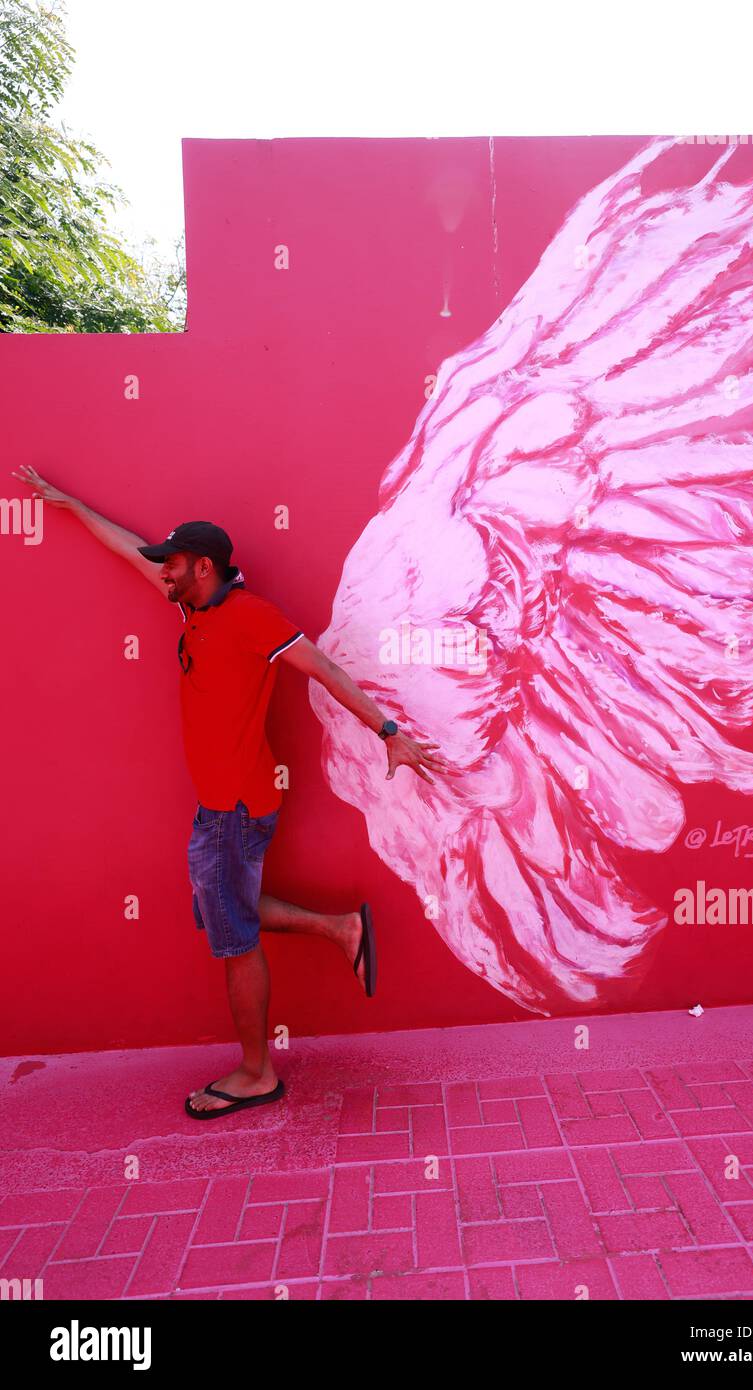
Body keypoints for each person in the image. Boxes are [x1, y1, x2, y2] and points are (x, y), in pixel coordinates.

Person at [12, 464, 447, 1119]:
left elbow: (323, 668)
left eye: (173, 563)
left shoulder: (250, 618)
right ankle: (340, 928)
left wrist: (389, 731)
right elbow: (130, 545)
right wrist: (69, 503)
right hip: (222, 806)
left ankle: (257, 1073)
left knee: (233, 942)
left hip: (237, 810)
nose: (160, 570)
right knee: (223, 912)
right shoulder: (191, 603)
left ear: (204, 567)